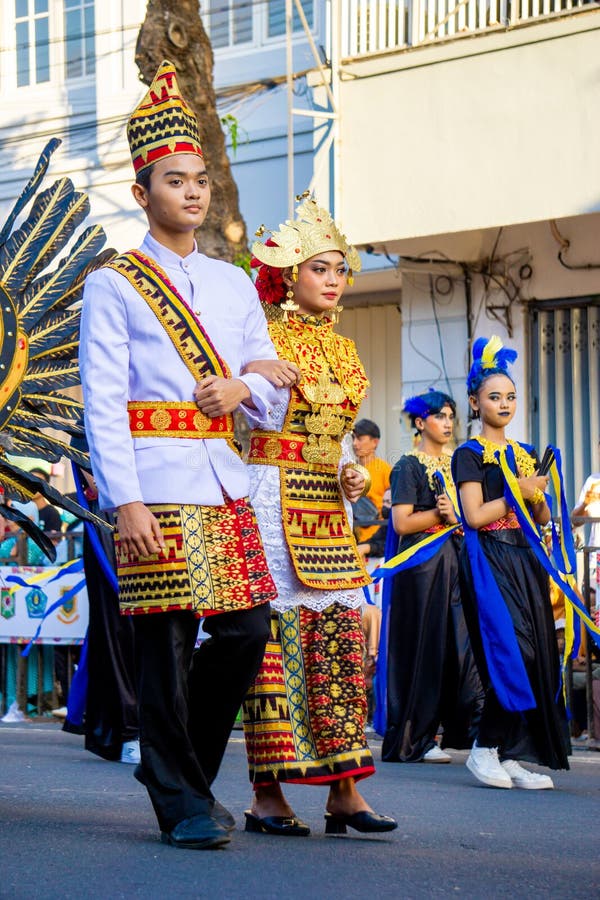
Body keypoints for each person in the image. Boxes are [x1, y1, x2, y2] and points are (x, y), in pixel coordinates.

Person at [79, 60, 293, 851]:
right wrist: (123, 500)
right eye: (176, 180)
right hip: (156, 481)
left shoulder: (234, 284)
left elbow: (273, 381)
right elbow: (102, 402)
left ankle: (179, 770)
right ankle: (180, 799)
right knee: (164, 642)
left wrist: (241, 387)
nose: (194, 192)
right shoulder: (115, 284)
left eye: (200, 179)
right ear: (144, 193)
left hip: (223, 478)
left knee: (244, 630)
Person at [240, 194, 397, 837]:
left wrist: (350, 472)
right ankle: (268, 795)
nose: (334, 280)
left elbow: (332, 442)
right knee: (272, 648)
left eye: (339, 270)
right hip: (270, 496)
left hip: (326, 510)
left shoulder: (345, 352)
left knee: (335, 643)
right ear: (289, 274)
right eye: (320, 269)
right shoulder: (260, 337)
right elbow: (240, 424)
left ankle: (344, 793)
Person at [452, 336, 570, 790]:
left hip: (525, 557)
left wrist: (537, 495)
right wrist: (517, 491)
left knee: (538, 651)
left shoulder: (522, 452)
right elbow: (476, 516)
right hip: (490, 560)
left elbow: (538, 516)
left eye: (511, 396)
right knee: (512, 653)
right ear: (475, 402)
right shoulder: (470, 454)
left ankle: (511, 752)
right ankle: (484, 748)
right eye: (494, 396)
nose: (504, 403)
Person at [381, 390, 483, 764]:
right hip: (421, 568)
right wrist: (439, 516)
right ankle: (413, 737)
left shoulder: (457, 464)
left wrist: (455, 515)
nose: (447, 422)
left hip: (453, 563)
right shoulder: (408, 465)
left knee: (457, 648)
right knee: (421, 649)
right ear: (421, 422)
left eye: (450, 416)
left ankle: (458, 732)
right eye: (439, 416)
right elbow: (403, 522)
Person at [352, 419, 392, 545]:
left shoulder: (386, 470)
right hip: (352, 538)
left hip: (377, 540)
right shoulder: (349, 470)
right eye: (353, 438)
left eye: (360, 439)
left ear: (375, 442)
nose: (354, 444)